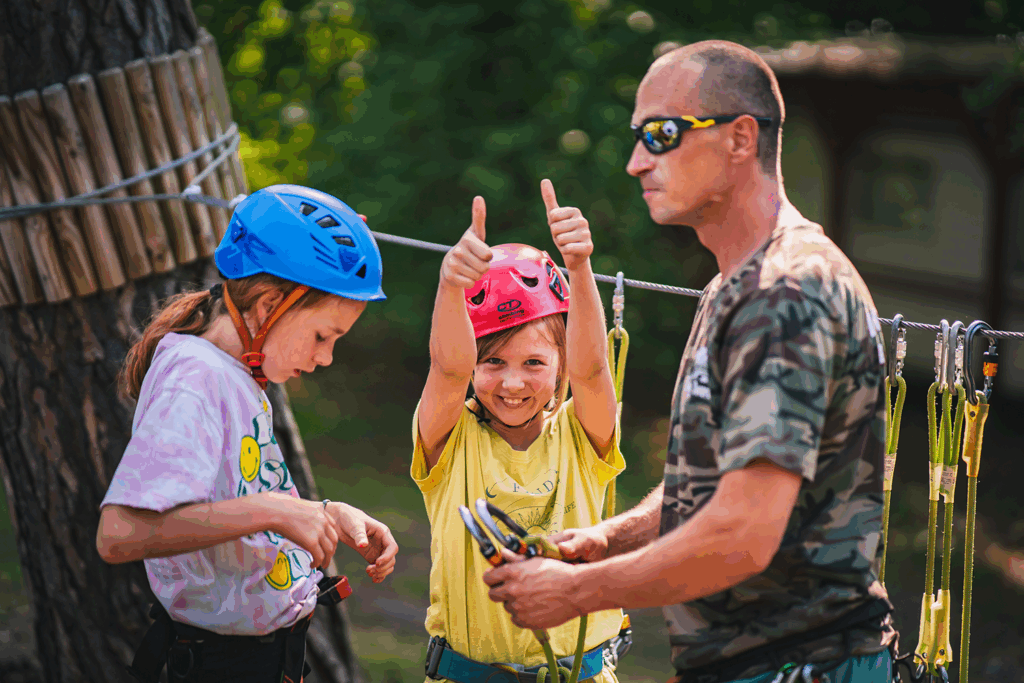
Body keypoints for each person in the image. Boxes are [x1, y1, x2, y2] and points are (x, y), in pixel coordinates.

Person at [483, 40, 897, 683]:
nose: (634, 161)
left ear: (740, 138)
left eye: (662, 133)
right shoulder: (732, 288)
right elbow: (711, 489)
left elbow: (741, 534)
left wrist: (576, 592)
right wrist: (603, 542)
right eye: (637, 136)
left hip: (804, 666)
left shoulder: (785, 292)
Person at [96, 185, 400, 683]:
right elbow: (119, 534)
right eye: (324, 336)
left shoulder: (233, 373)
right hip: (222, 666)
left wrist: (321, 514)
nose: (325, 358)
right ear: (268, 306)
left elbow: (230, 496)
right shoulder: (195, 380)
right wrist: (277, 511)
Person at [412, 181, 627, 683]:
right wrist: (450, 287)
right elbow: (446, 369)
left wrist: (578, 267)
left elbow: (594, 371)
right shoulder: (450, 440)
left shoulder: (582, 435)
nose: (512, 382)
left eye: (534, 362)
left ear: (561, 366)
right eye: (492, 362)